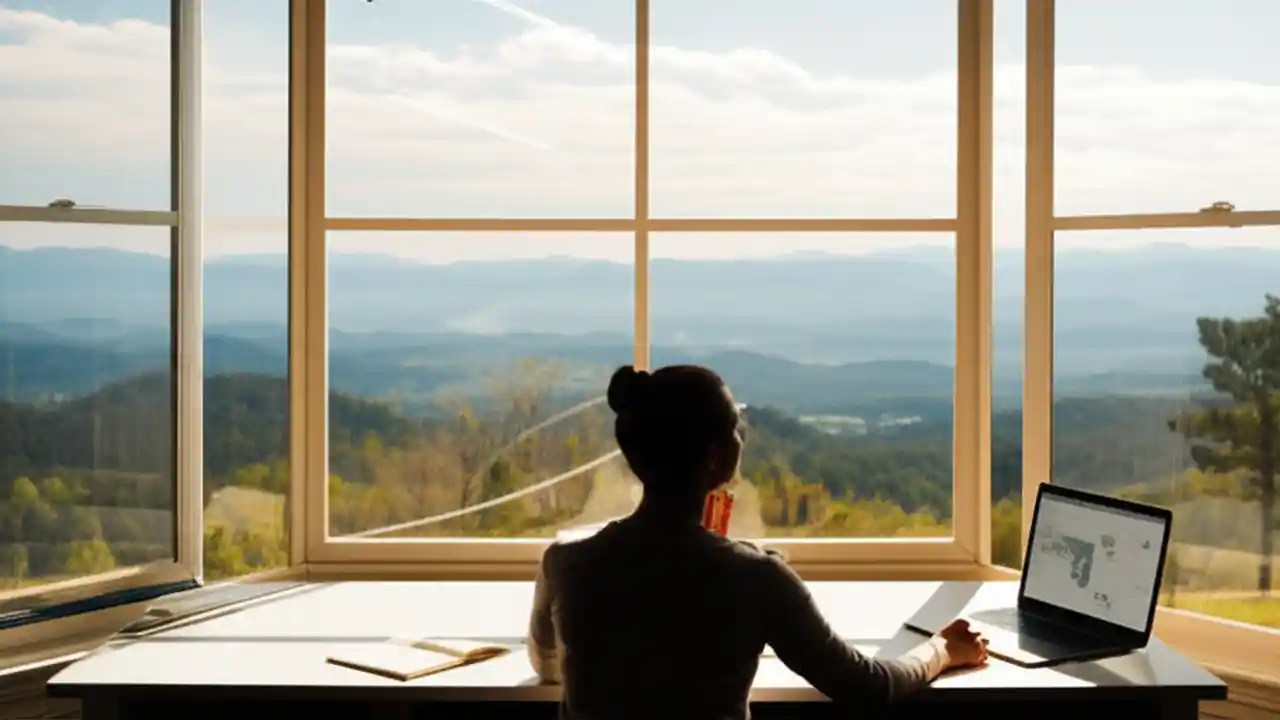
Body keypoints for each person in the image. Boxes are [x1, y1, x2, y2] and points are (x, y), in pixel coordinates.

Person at [527, 365, 988, 720]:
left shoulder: (566, 563)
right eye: (736, 426)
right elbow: (868, 686)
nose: (741, 435)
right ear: (715, 457)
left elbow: (549, 665)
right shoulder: (756, 578)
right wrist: (943, 650)